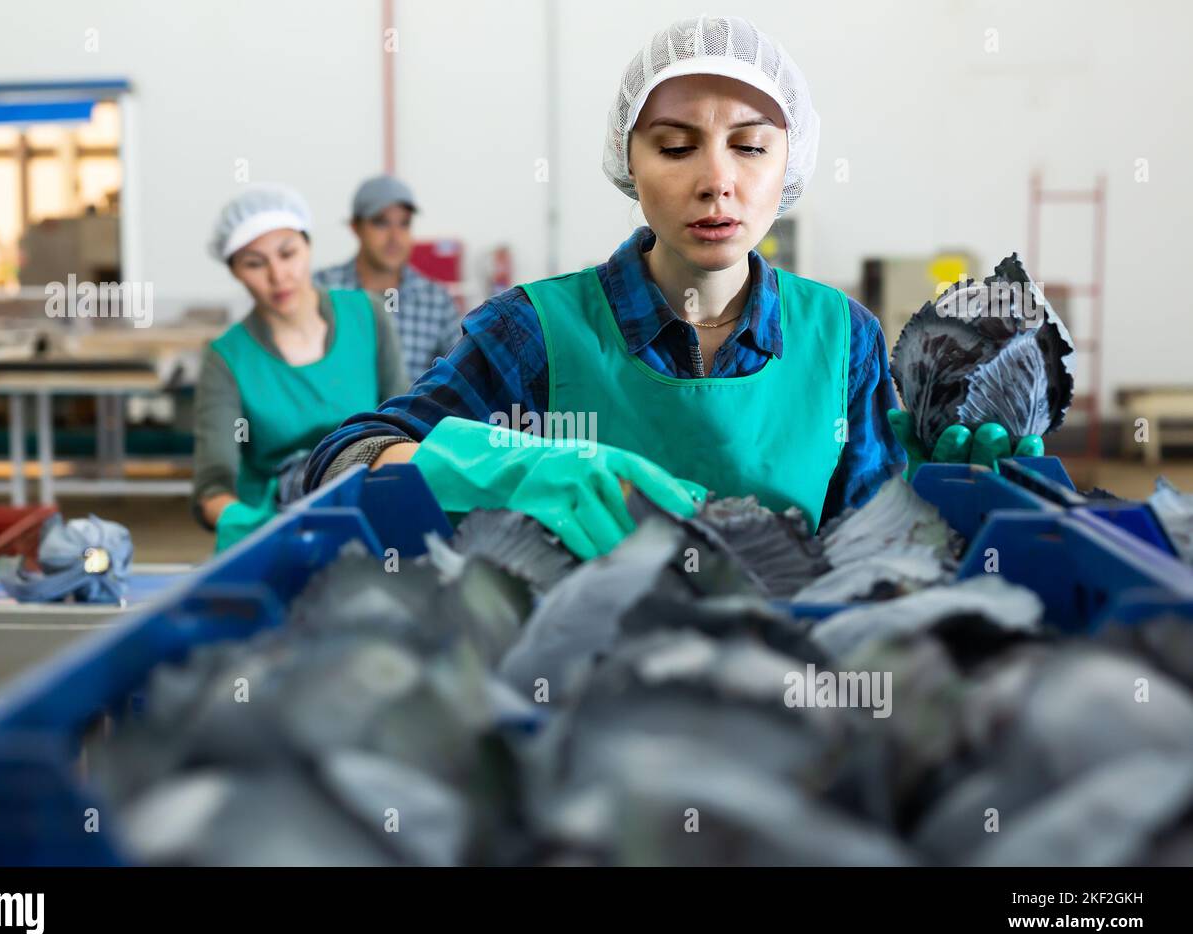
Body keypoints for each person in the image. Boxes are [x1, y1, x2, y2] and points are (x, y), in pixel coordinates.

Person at [303, 16, 1042, 561]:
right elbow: (336, 467)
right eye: (676, 145)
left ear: (790, 165)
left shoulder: (842, 337)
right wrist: (502, 467)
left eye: (750, 146)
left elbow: (870, 543)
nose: (716, 180)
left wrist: (950, 492)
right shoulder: (534, 332)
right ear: (629, 160)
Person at [193, 184, 407, 551]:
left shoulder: (368, 317)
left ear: (308, 248)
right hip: (277, 525)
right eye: (255, 263)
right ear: (236, 272)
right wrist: (256, 529)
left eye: (287, 253)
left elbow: (405, 425)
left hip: (372, 513)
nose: (278, 276)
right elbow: (214, 488)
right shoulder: (228, 358)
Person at [313, 175, 463, 384]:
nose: (395, 237)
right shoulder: (322, 289)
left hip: (413, 417)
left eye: (404, 223)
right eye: (381, 222)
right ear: (355, 227)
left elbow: (458, 380)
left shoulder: (436, 300)